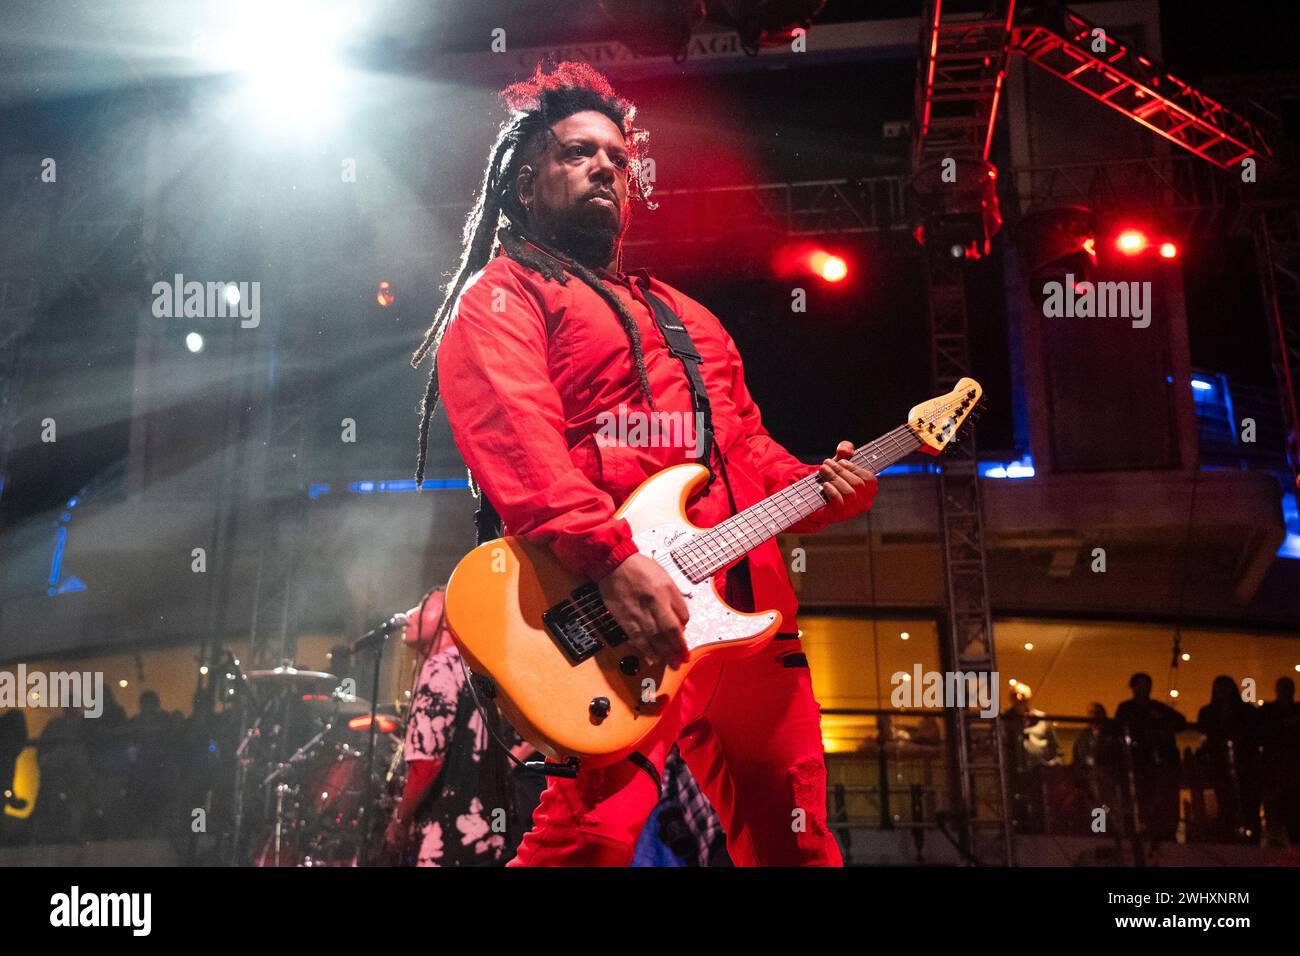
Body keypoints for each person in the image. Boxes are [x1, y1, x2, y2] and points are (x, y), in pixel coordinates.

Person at [412, 61, 876, 866]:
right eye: (577, 153)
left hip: (754, 623)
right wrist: (615, 562)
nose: (605, 167)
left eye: (618, 159)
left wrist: (820, 490)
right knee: (589, 838)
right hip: (628, 615)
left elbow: (745, 451)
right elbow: (523, 445)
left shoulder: (690, 316)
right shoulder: (503, 298)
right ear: (524, 185)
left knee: (798, 843)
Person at [385, 592, 542, 866]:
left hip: (447, 837)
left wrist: (401, 818)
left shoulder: (439, 667)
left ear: (448, 620)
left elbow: (427, 764)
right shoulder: (475, 666)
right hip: (485, 836)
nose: (410, 615)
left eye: (422, 607)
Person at [1114, 672, 1187, 842]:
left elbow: (1180, 721)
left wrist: (1160, 721)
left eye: (1145, 685)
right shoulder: (1126, 708)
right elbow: (1118, 729)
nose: (1143, 689)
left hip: (1157, 765)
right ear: (1133, 687)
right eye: (1139, 685)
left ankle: (1161, 833)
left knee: (1159, 801)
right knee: (1140, 800)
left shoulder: (1157, 708)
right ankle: (1140, 832)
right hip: (1137, 765)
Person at [1196, 674, 1262, 843]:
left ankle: (1250, 839)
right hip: (1222, 768)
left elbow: (1255, 736)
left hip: (1246, 768)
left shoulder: (1246, 712)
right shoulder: (1208, 713)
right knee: (1226, 804)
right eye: (1219, 689)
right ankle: (1229, 839)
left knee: (1248, 805)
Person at [1260, 677, 1300, 845]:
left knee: (1290, 814)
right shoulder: (1268, 711)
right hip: (1278, 772)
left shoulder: (1268, 712)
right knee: (1279, 813)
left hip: (1286, 771)